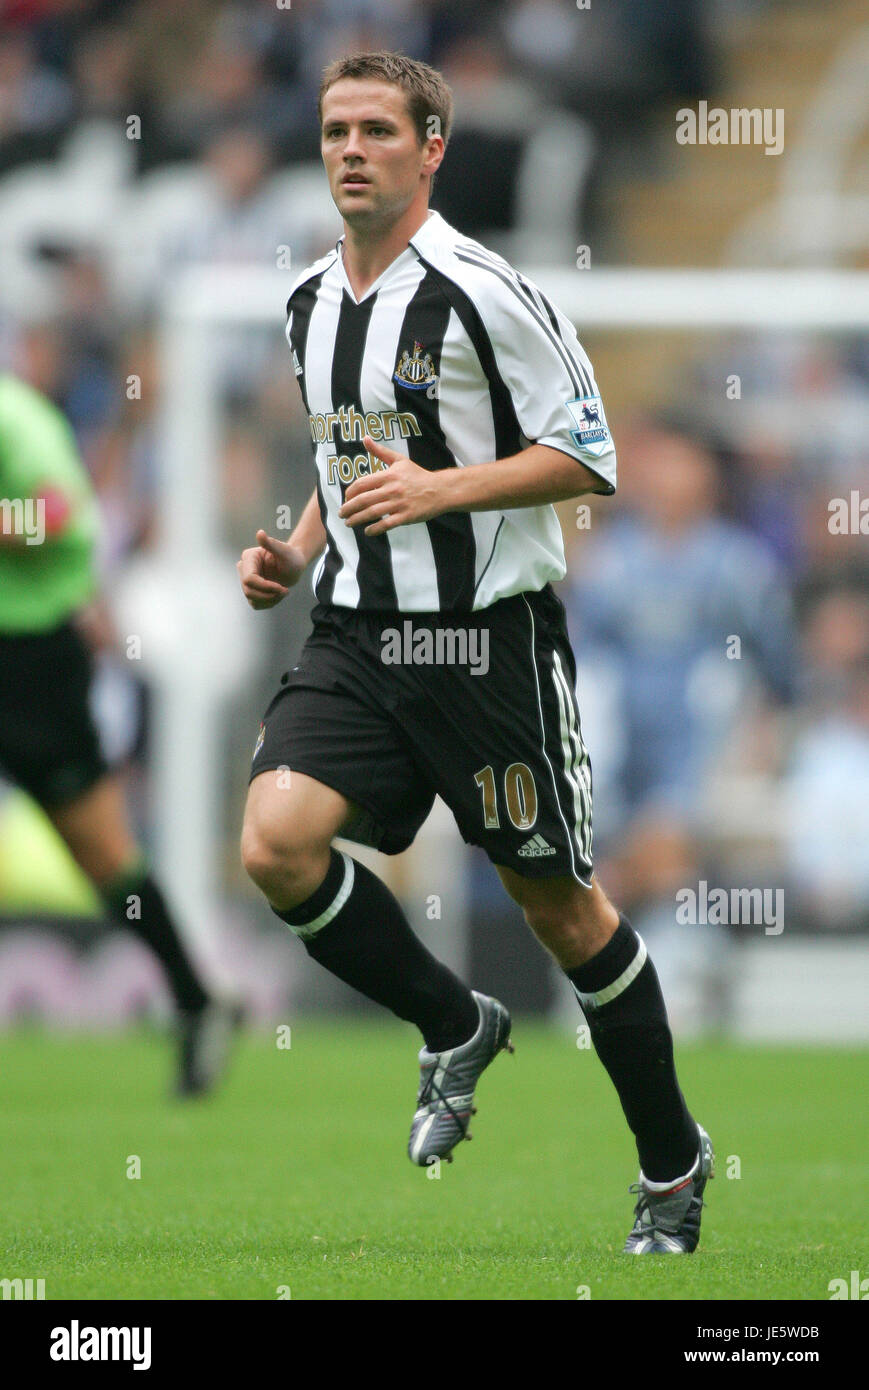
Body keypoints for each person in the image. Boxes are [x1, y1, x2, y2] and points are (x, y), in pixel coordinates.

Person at [238, 51, 712, 1254]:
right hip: (353, 630)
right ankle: (453, 1024)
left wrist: (446, 488)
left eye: (377, 132)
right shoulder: (303, 303)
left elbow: (589, 452)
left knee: (560, 910)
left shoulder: (481, 291)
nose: (350, 149)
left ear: (429, 148)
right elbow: (344, 460)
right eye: (336, 129)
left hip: (484, 647)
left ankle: (669, 1162)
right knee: (274, 843)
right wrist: (296, 552)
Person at [0, 370, 236, 1095]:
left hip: (31, 665)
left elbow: (58, 519)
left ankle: (196, 1001)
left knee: (103, 854)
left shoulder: (19, 422)